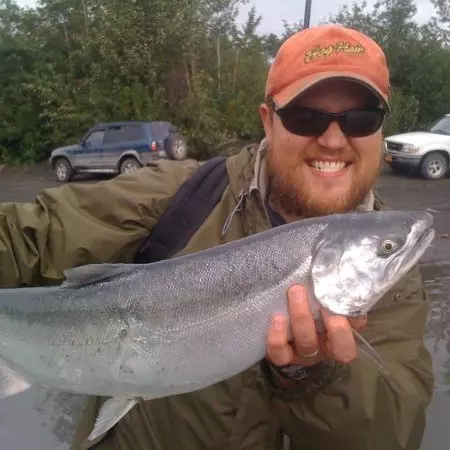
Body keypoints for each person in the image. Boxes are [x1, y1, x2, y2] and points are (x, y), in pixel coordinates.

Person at [0, 24, 434, 450]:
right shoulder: (181, 195)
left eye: (361, 118)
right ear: (269, 121)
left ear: (380, 130)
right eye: (306, 117)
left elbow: (392, 434)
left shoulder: (394, 283)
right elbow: (23, 235)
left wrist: (315, 375)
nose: (334, 138)